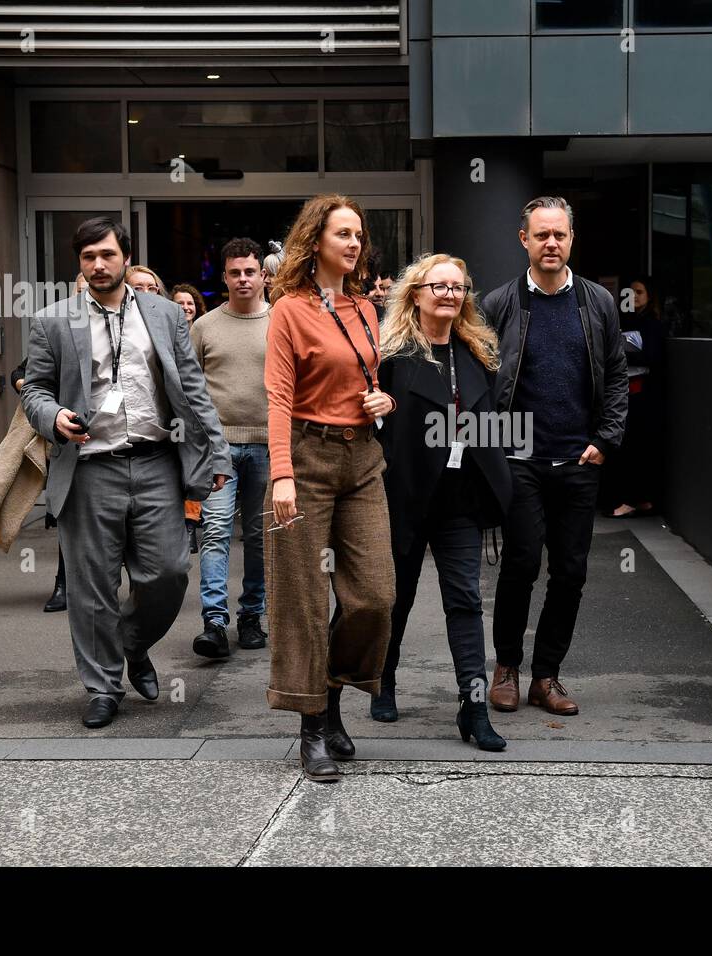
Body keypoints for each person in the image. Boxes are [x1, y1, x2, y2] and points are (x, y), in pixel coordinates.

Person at [20, 217, 232, 729]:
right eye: (88, 257)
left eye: (107, 255)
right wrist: (53, 418)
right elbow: (34, 390)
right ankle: (102, 688)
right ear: (80, 263)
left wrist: (218, 455)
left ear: (126, 258)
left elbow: (193, 389)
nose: (98, 265)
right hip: (90, 466)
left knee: (169, 572)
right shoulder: (53, 321)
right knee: (91, 586)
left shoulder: (163, 315)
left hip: (158, 461)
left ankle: (132, 645)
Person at [264, 194, 397, 782]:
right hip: (307, 457)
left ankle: (334, 690)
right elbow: (278, 396)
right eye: (343, 233)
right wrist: (281, 472)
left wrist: (383, 402)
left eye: (359, 235)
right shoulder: (289, 310)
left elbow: (370, 382)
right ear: (315, 240)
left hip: (363, 456)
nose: (354, 243)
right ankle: (312, 725)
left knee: (374, 596)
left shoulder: (367, 309)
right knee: (304, 598)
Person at [482, 196, 628, 717]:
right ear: (524, 240)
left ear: (571, 240)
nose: (551, 243)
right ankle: (506, 668)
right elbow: (479, 381)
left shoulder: (597, 303)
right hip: (519, 457)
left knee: (570, 572)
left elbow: (615, 375)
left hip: (579, 459)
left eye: (559, 235)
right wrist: (493, 444)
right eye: (541, 235)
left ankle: (546, 675)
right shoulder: (499, 304)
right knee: (520, 564)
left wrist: (605, 439)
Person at [374, 253, 513, 750]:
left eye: (458, 287)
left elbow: (493, 421)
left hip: (461, 500)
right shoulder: (392, 357)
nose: (451, 294)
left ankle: (473, 707)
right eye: (440, 286)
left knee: (465, 601)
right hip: (406, 496)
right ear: (416, 293)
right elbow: (374, 424)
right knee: (396, 598)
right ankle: (383, 681)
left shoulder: (476, 353)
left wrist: (497, 480)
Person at [191, 238, 273, 657]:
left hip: (267, 446)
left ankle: (251, 616)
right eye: (234, 273)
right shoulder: (204, 327)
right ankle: (215, 623)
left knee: (259, 537)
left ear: (262, 275)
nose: (243, 279)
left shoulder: (281, 323)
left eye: (249, 272)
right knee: (217, 531)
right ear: (223, 278)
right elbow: (189, 390)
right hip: (218, 448)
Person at [602, 276, 666, 519]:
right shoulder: (625, 319)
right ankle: (637, 498)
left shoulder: (653, 325)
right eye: (630, 292)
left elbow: (650, 356)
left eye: (639, 292)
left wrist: (625, 351)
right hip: (626, 394)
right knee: (627, 446)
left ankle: (635, 499)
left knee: (638, 448)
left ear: (649, 296)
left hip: (643, 398)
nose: (634, 296)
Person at [11, 357, 68, 611]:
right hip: (70, 438)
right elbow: (19, 372)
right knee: (69, 518)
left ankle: (139, 592)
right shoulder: (63, 329)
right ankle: (64, 585)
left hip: (128, 441)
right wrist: (33, 390)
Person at [170, 284, 208, 552]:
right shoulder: (166, 333)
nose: (185, 308)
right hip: (172, 416)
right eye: (180, 303)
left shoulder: (204, 331)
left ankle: (189, 527)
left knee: (194, 472)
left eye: (190, 303)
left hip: (197, 414)